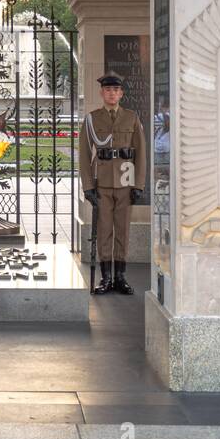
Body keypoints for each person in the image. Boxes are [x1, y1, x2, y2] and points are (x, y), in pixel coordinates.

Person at [79, 72, 146, 294]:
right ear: (102, 93)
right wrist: (88, 186)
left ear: (121, 93)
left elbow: (141, 154)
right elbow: (84, 154)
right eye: (108, 90)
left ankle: (120, 277)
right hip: (103, 183)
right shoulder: (92, 119)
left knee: (123, 231)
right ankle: (106, 278)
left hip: (126, 181)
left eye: (116, 90)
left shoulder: (132, 117)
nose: (112, 93)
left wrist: (138, 185)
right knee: (105, 230)